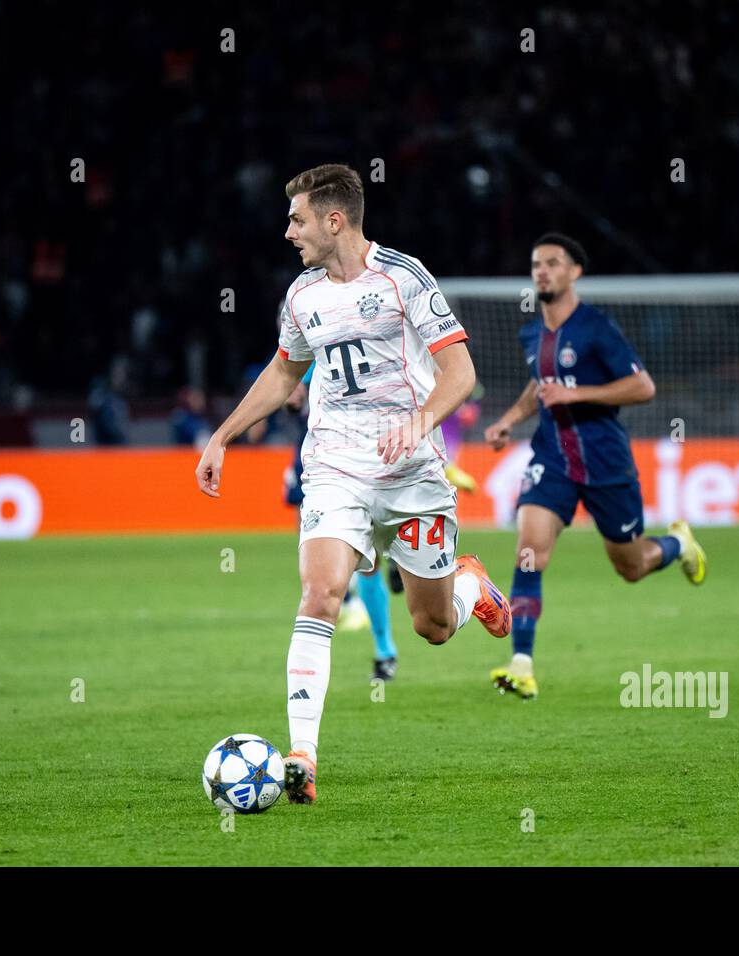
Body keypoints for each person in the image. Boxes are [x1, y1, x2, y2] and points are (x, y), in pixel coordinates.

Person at [196, 163, 511, 804]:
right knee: (320, 593)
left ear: (334, 220)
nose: (289, 232)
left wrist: (419, 421)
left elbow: (459, 372)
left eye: (298, 219)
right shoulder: (302, 296)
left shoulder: (404, 278)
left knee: (432, 626)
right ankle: (303, 756)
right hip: (334, 468)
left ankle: (470, 582)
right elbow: (285, 375)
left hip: (412, 475)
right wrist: (223, 434)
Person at [482, 234, 706, 700]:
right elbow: (539, 386)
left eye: (552, 263)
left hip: (605, 461)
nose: (541, 271)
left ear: (574, 272)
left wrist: (577, 394)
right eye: (536, 263)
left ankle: (677, 543)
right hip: (552, 459)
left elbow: (643, 386)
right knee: (530, 550)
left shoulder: (597, 328)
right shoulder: (531, 334)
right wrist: (507, 420)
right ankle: (521, 662)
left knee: (631, 566)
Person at [284, 363, 399, 682]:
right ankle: (352, 609)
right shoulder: (307, 345)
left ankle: (384, 648)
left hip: (364, 451)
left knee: (371, 558)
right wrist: (293, 398)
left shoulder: (364, 339)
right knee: (309, 542)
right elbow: (288, 387)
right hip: (317, 452)